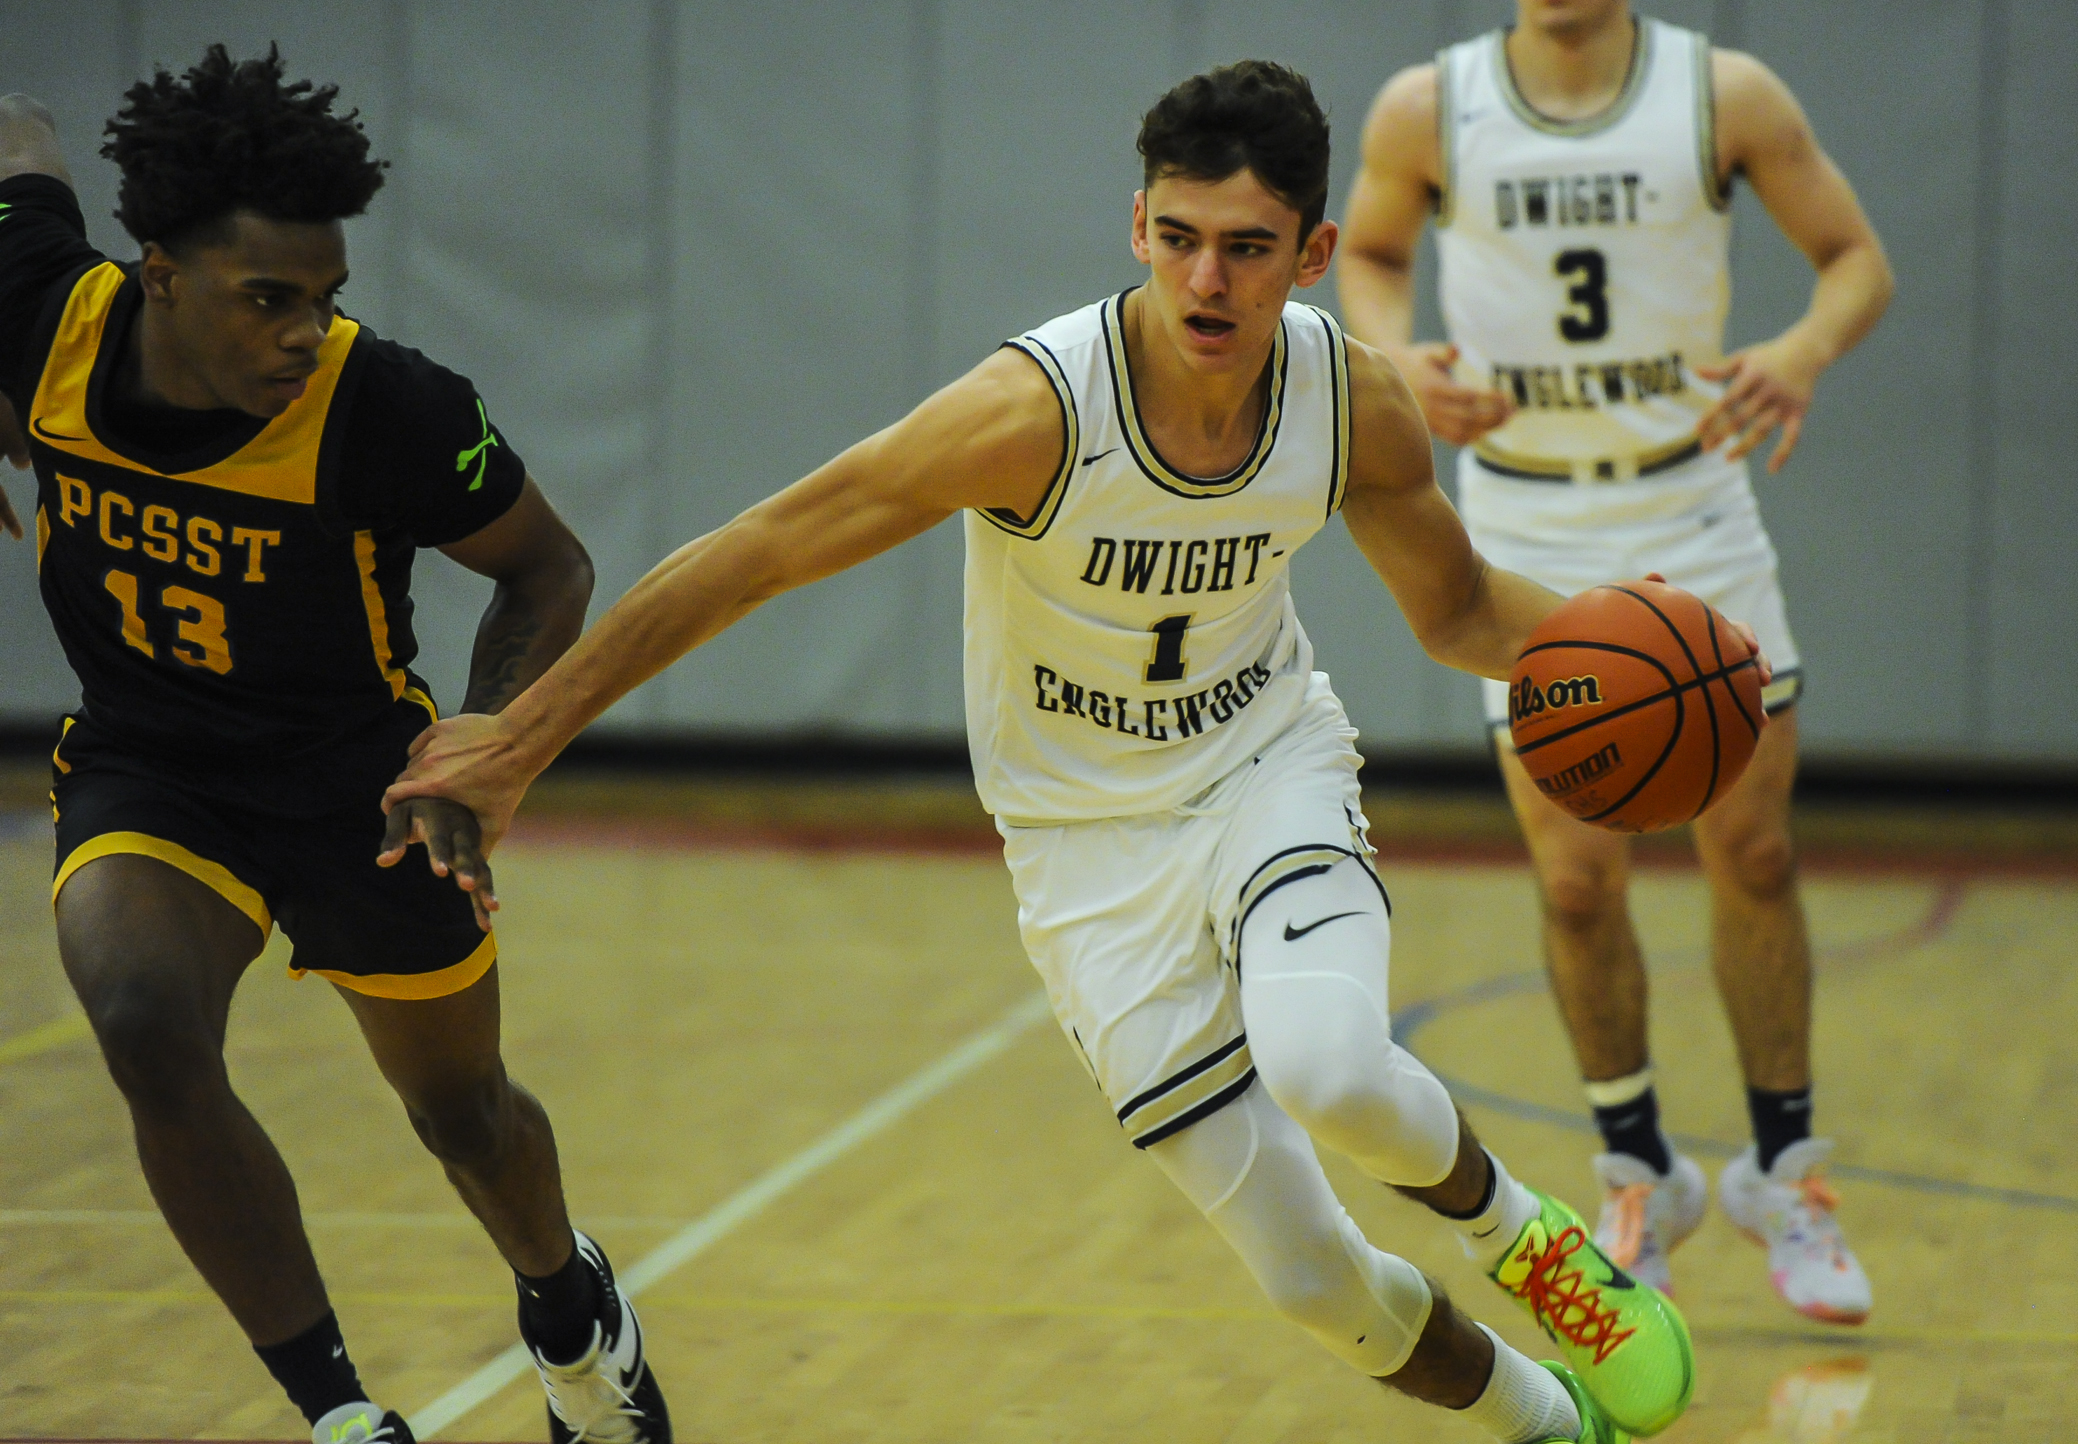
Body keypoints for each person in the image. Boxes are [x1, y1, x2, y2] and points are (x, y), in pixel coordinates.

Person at [382, 62, 1751, 1444]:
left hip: (1262, 767)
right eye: (1179, 237)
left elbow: (1456, 611)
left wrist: (1643, 660)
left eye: (1247, 247)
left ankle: (1528, 1243)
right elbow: (759, 551)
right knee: (1312, 1284)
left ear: (1313, 253)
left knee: (1330, 1064)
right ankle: (1551, 1424)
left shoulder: (1352, 400)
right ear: (1137, 224)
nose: (1206, 280)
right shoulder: (1034, 411)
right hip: (1082, 849)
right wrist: (525, 735)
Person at [0, 48, 669, 1443]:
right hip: (150, 765)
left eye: (324, 297)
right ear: (159, 274)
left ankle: (569, 1308)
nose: (306, 331)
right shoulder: (40, 314)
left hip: (365, 787)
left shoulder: (385, 405)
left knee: (463, 1116)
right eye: (268, 299)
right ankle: (344, 1417)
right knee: (144, 1027)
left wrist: (483, 748)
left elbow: (548, 568)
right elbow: (17, 122)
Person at [1338, 0, 1892, 1322]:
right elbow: (1368, 254)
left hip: (1689, 504)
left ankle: (1785, 1172)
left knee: (1753, 849)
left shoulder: (1722, 92)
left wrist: (1800, 348)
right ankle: (1637, 1173)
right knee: (1577, 882)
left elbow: (1855, 260)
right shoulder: (1429, 106)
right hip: (1525, 515)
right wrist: (1400, 356)